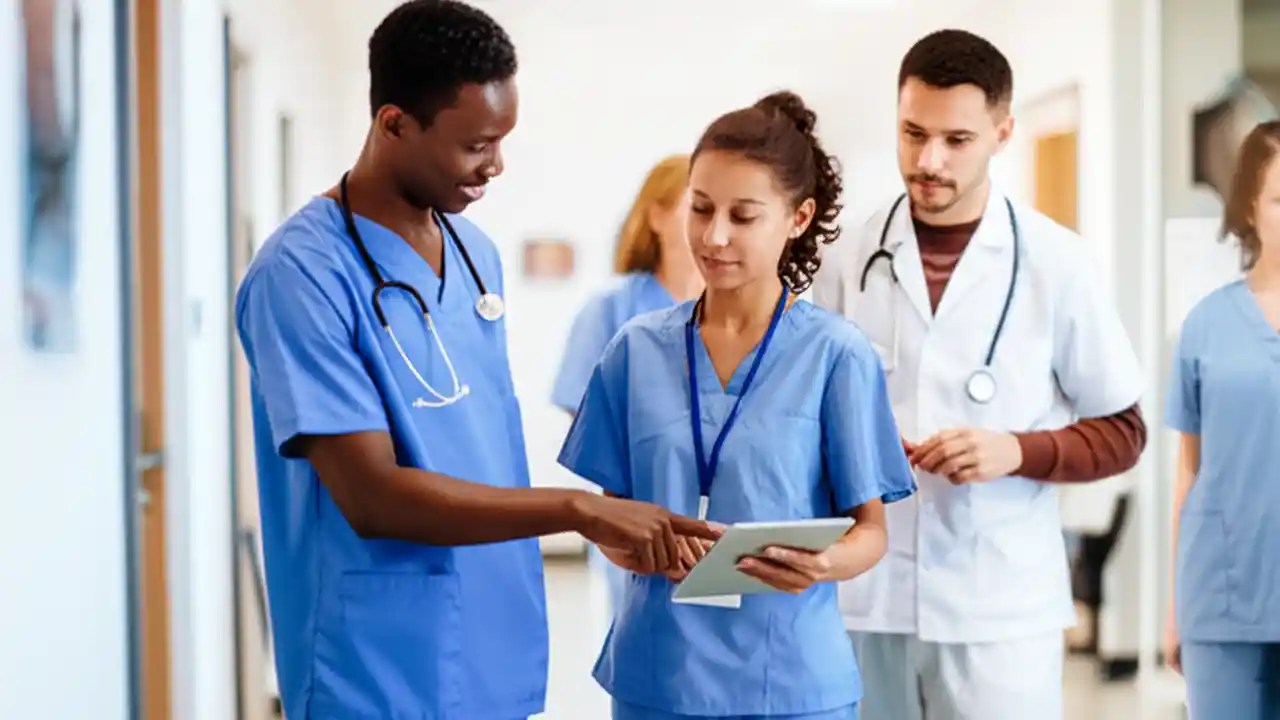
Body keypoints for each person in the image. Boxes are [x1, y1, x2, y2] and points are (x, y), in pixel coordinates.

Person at [233, 3, 716, 718]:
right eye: (475, 145)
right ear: (393, 123)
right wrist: (579, 511)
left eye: (502, 139)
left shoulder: (473, 254)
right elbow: (371, 496)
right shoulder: (301, 274)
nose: (496, 165)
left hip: (493, 642)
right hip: (375, 664)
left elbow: (479, 447)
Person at [811, 29, 1147, 719]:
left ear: (1003, 133)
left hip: (1000, 606)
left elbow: (1125, 431)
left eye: (956, 140)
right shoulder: (850, 258)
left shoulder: (1058, 262)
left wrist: (1014, 451)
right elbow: (816, 415)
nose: (928, 160)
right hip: (869, 596)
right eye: (913, 133)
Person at [558, 90, 917, 720]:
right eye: (701, 209)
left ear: (798, 218)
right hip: (659, 674)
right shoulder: (635, 351)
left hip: (792, 678)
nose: (714, 237)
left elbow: (871, 532)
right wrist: (639, 548)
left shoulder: (836, 355)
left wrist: (822, 562)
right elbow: (607, 522)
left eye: (743, 216)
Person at [552, 153, 703, 614]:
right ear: (657, 215)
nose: (712, 222)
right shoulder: (611, 312)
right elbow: (586, 419)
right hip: (640, 514)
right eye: (695, 203)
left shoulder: (738, 311)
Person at [1164, 120, 1280, 719]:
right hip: (1221, 595)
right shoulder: (1206, 324)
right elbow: (1189, 475)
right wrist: (1174, 609)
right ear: (1251, 209)